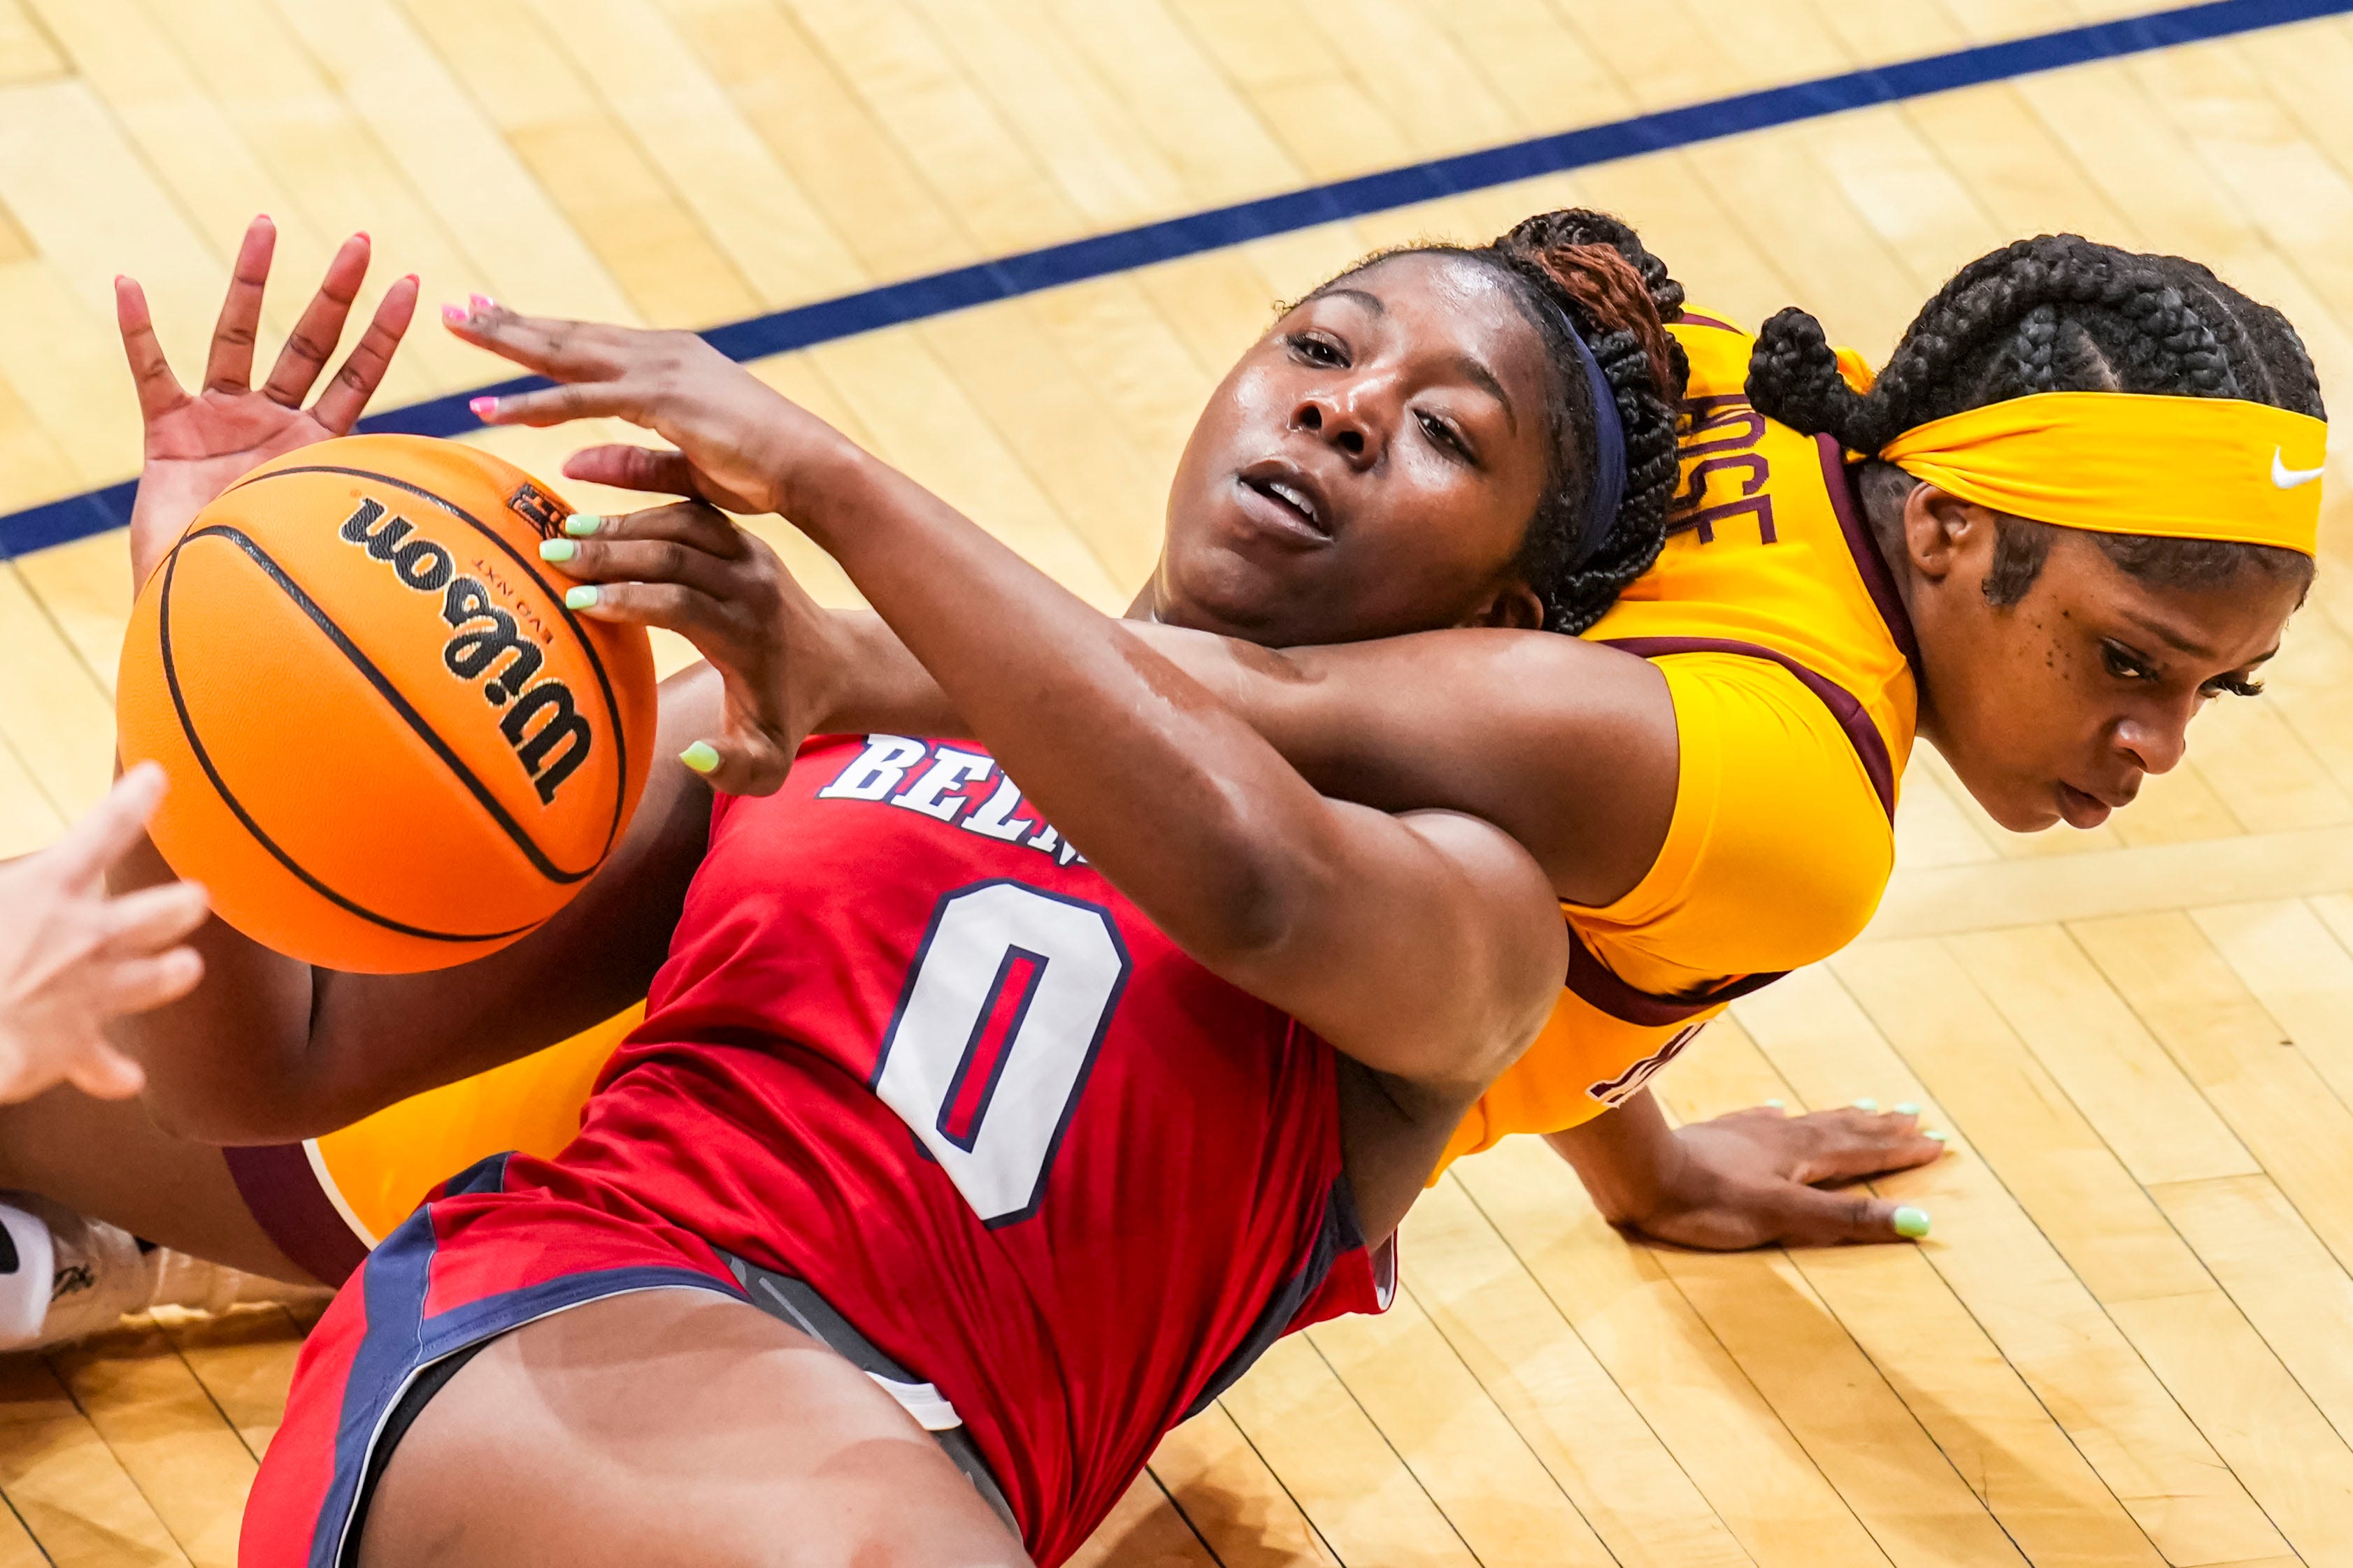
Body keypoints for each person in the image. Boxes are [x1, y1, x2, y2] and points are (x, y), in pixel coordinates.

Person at [105, 213, 1686, 1567]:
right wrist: (194, 663)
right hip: (562, 1341)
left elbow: (1251, 885)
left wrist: (826, 479)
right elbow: (261, 1066)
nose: (1348, 413)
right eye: (1324, 351)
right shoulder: (788, 707)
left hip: (920, 1489)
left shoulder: (1475, 913)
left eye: (1444, 432)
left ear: (1511, 618)